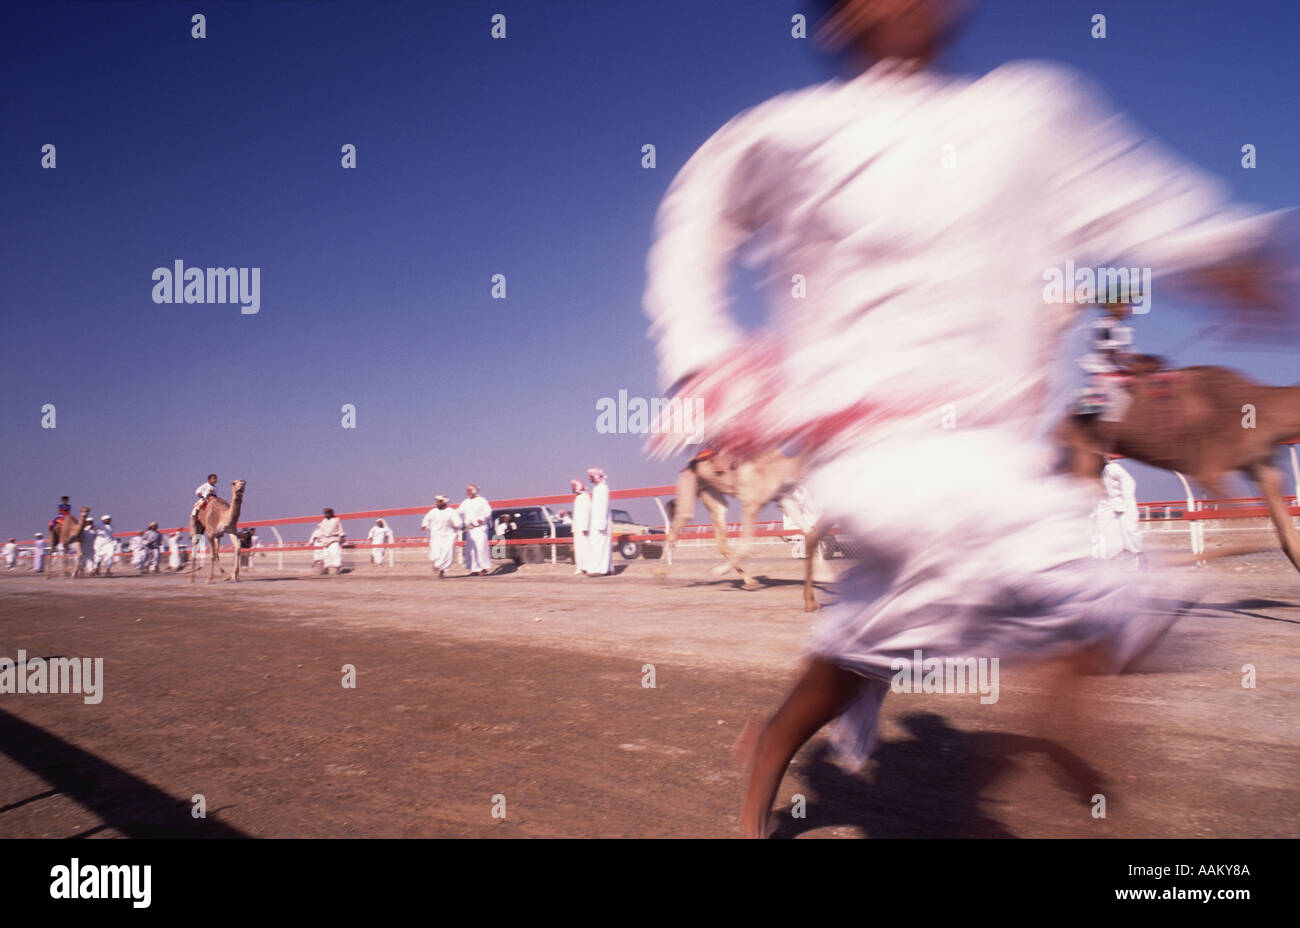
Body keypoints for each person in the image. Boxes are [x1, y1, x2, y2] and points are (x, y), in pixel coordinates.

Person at [643, 0, 1296, 837]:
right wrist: (702, 351)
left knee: (868, 644)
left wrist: (1217, 247)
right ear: (839, 22)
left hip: (996, 445)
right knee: (1096, 599)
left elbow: (1134, 195)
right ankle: (1027, 789)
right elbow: (697, 213)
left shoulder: (1025, 111)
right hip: (876, 446)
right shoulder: (793, 131)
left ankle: (771, 745)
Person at [1095, 456, 1144, 565]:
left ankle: (1138, 556)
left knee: (1130, 529)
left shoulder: (1114, 468)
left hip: (1125, 501)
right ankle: (1109, 558)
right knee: (1103, 531)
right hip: (1106, 503)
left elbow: (1129, 483)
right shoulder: (1094, 472)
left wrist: (1125, 501)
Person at [422, 496, 462, 577]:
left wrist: (456, 525)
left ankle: (441, 570)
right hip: (436, 536)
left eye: (438, 502)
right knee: (437, 553)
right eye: (436, 501)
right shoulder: (433, 512)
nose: (436, 503)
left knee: (447, 553)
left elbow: (458, 522)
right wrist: (424, 525)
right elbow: (426, 519)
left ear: (443, 502)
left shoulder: (451, 511)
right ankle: (437, 565)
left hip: (448, 536)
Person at [458, 485, 492, 576]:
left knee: (481, 548)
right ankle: (474, 569)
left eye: (469, 490)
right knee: (471, 550)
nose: (467, 491)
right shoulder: (465, 502)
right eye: (467, 490)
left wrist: (482, 518)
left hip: (479, 528)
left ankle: (483, 568)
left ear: (475, 491)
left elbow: (488, 512)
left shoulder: (482, 500)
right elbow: (458, 511)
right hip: (470, 530)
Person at [585, 468, 612, 575]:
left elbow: (602, 507)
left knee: (599, 546)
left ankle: (597, 569)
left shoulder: (602, 489)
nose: (589, 478)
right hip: (597, 523)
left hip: (600, 523)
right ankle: (603, 569)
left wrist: (600, 524)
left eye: (591, 476)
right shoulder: (599, 488)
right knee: (599, 546)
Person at [316, 508, 346, 576]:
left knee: (335, 553)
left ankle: (336, 568)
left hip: (334, 538)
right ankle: (327, 568)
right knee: (326, 554)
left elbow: (340, 529)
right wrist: (319, 537)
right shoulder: (323, 521)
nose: (327, 514)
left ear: (331, 513)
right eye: (325, 513)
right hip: (325, 540)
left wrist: (342, 536)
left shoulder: (336, 520)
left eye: (328, 513)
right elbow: (321, 530)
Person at [570, 478, 591, 575]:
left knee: (585, 547)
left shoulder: (585, 497)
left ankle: (587, 566)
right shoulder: (578, 498)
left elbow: (587, 513)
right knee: (578, 548)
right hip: (577, 527)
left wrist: (585, 527)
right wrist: (574, 528)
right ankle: (579, 567)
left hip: (583, 528)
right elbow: (576, 515)